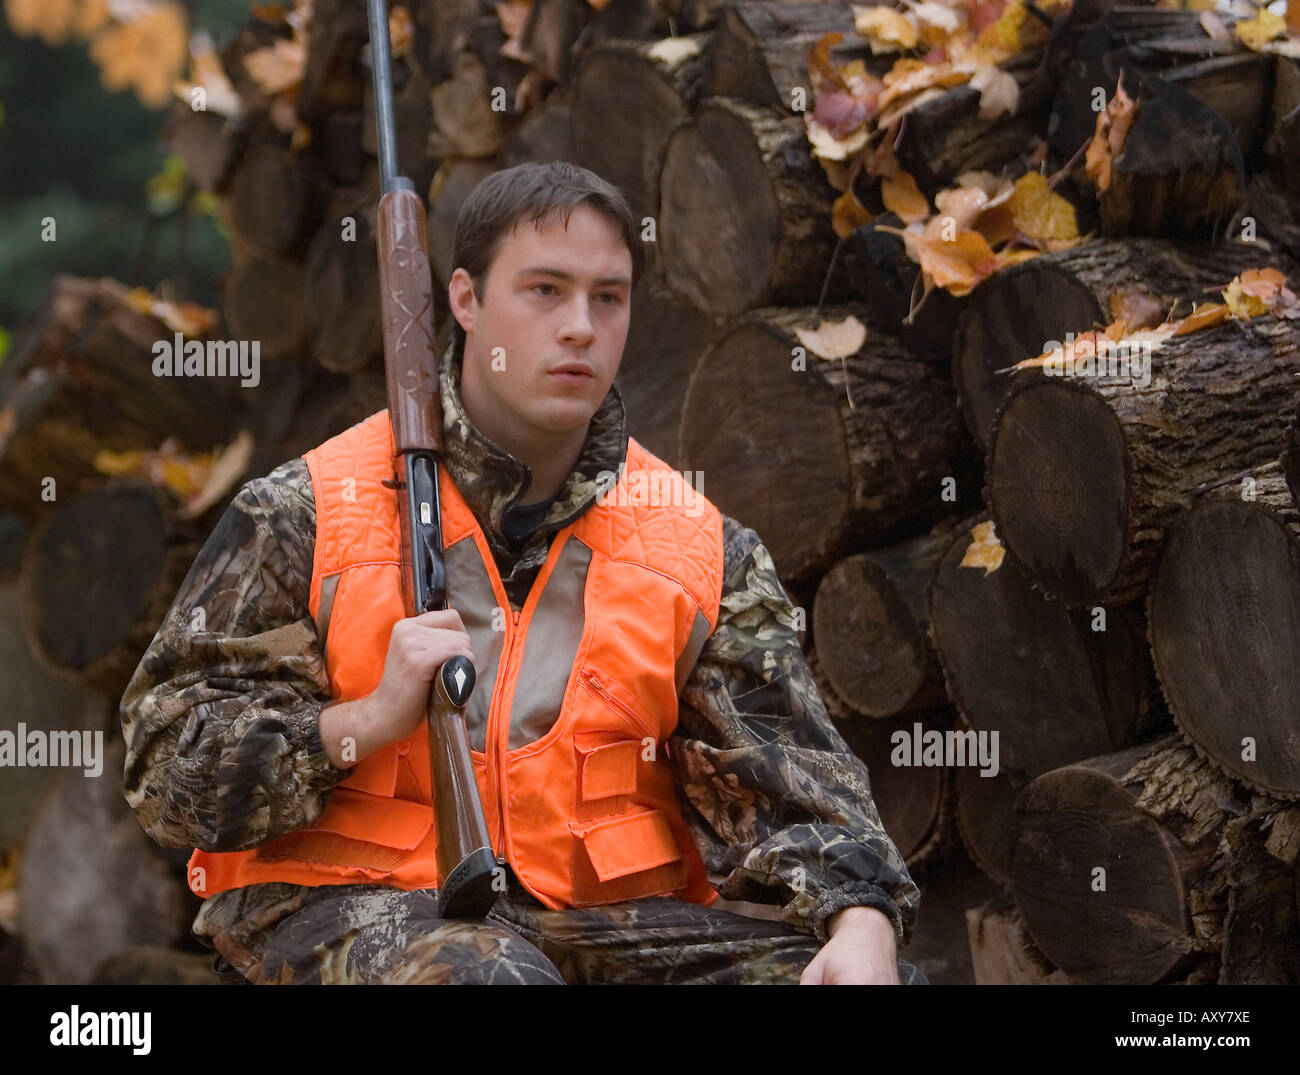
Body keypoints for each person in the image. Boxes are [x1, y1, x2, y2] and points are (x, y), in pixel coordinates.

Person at [119, 161, 926, 985]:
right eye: (545, 290)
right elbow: (163, 768)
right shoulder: (307, 510)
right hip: (346, 917)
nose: (580, 325)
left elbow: (801, 784)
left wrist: (860, 923)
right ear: (465, 301)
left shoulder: (699, 547)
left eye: (607, 297)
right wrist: (360, 720)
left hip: (590, 929)